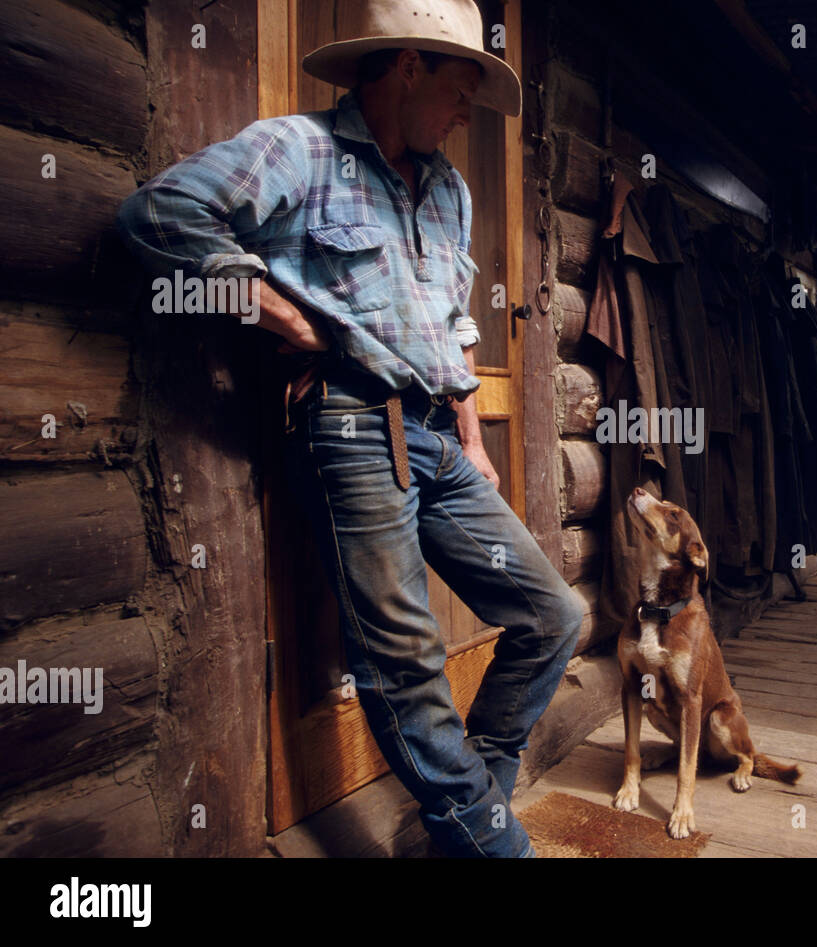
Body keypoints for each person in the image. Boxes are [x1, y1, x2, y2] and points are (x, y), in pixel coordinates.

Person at [117, 0, 583, 857]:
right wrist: (286, 321)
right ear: (406, 67)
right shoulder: (300, 150)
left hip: (441, 436)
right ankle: (494, 845)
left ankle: (466, 824)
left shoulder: (449, 187)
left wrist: (475, 439)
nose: (466, 109)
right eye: (459, 86)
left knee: (554, 615)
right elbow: (158, 216)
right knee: (404, 661)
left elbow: (456, 324)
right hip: (349, 426)